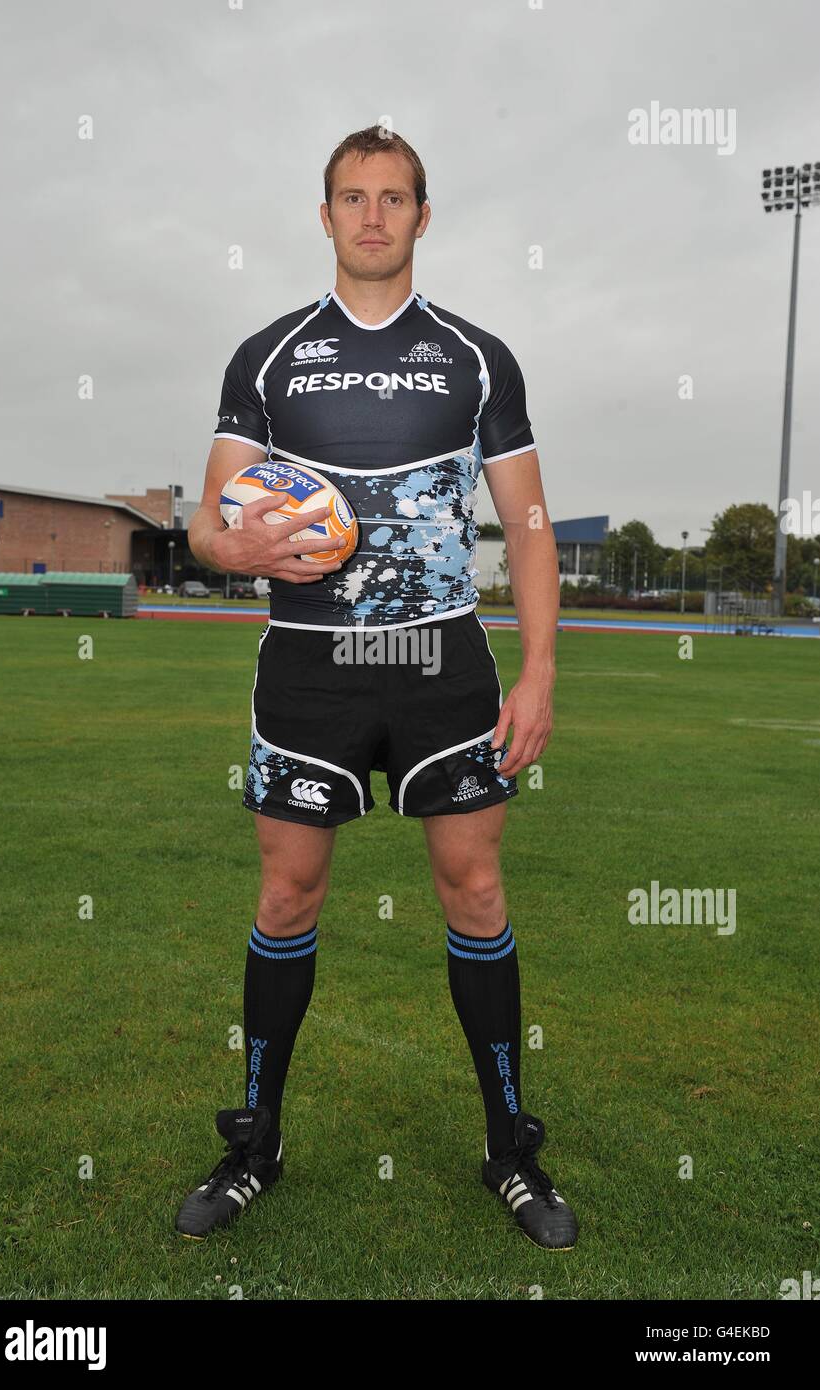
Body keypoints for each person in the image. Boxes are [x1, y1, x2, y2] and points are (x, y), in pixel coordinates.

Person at [178, 126, 578, 1251]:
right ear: (324, 217)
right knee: (289, 895)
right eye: (351, 197)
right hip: (306, 670)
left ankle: (510, 1149)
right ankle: (255, 1145)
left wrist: (540, 670)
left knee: (474, 888)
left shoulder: (475, 357)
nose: (370, 215)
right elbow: (210, 523)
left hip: (444, 667)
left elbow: (531, 526)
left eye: (391, 197)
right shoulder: (265, 358)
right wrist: (235, 550)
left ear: (420, 215)